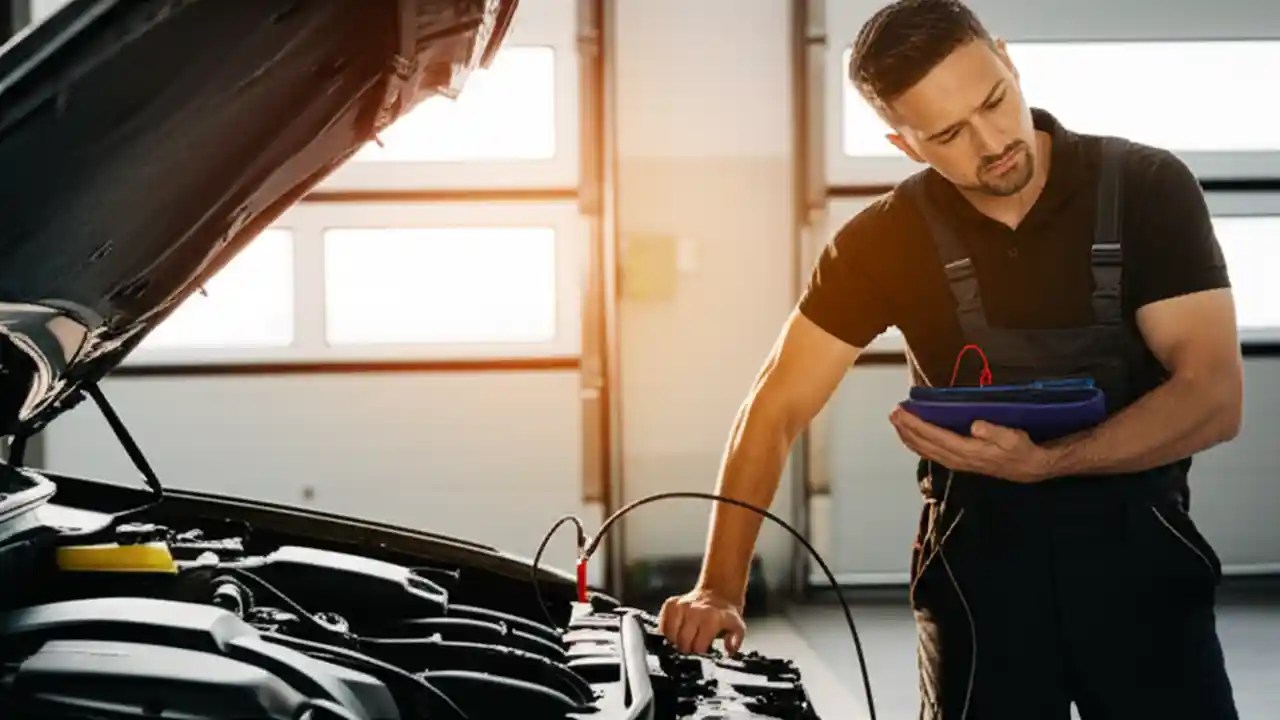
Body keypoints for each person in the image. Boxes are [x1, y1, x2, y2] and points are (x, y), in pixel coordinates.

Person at [656, 1, 1245, 717]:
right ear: (905, 144)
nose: (992, 141)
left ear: (1007, 58)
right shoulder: (883, 241)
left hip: (1142, 569)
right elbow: (774, 407)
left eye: (995, 101)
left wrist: (1050, 462)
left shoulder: (1149, 189)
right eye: (948, 133)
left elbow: (1213, 396)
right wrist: (720, 584)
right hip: (979, 582)